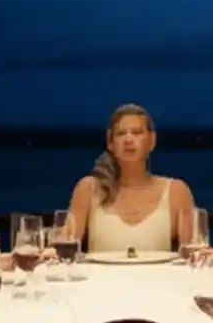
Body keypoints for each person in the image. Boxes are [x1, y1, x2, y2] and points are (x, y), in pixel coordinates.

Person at [65, 103, 197, 253]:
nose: (128, 140)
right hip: (101, 277)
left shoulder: (176, 192)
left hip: (157, 277)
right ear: (110, 143)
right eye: (121, 134)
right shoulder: (89, 189)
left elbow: (192, 256)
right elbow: (66, 246)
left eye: (137, 133)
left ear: (151, 140)